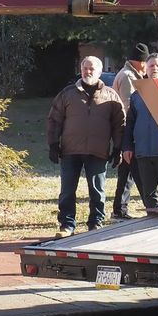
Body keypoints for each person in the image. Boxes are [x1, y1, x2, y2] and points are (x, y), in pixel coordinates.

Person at [46, 56, 125, 237]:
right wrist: (52, 144)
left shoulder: (111, 95)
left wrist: (118, 148)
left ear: (99, 72)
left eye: (92, 69)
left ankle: (95, 223)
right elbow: (54, 119)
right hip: (70, 151)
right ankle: (67, 225)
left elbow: (120, 124)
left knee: (98, 191)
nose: (88, 72)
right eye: (85, 68)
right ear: (81, 71)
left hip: (98, 151)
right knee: (67, 190)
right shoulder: (67, 94)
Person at [123, 54, 158, 209]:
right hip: (143, 152)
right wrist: (127, 147)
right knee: (149, 194)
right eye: (151, 66)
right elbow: (130, 123)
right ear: (146, 68)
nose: (155, 69)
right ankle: (153, 219)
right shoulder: (137, 95)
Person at [110, 43, 151, 219]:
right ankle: (151, 207)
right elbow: (128, 106)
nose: (147, 66)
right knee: (136, 169)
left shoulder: (133, 74)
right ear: (140, 62)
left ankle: (119, 209)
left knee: (126, 172)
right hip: (128, 129)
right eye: (146, 62)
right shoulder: (127, 76)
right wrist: (131, 134)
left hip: (127, 129)